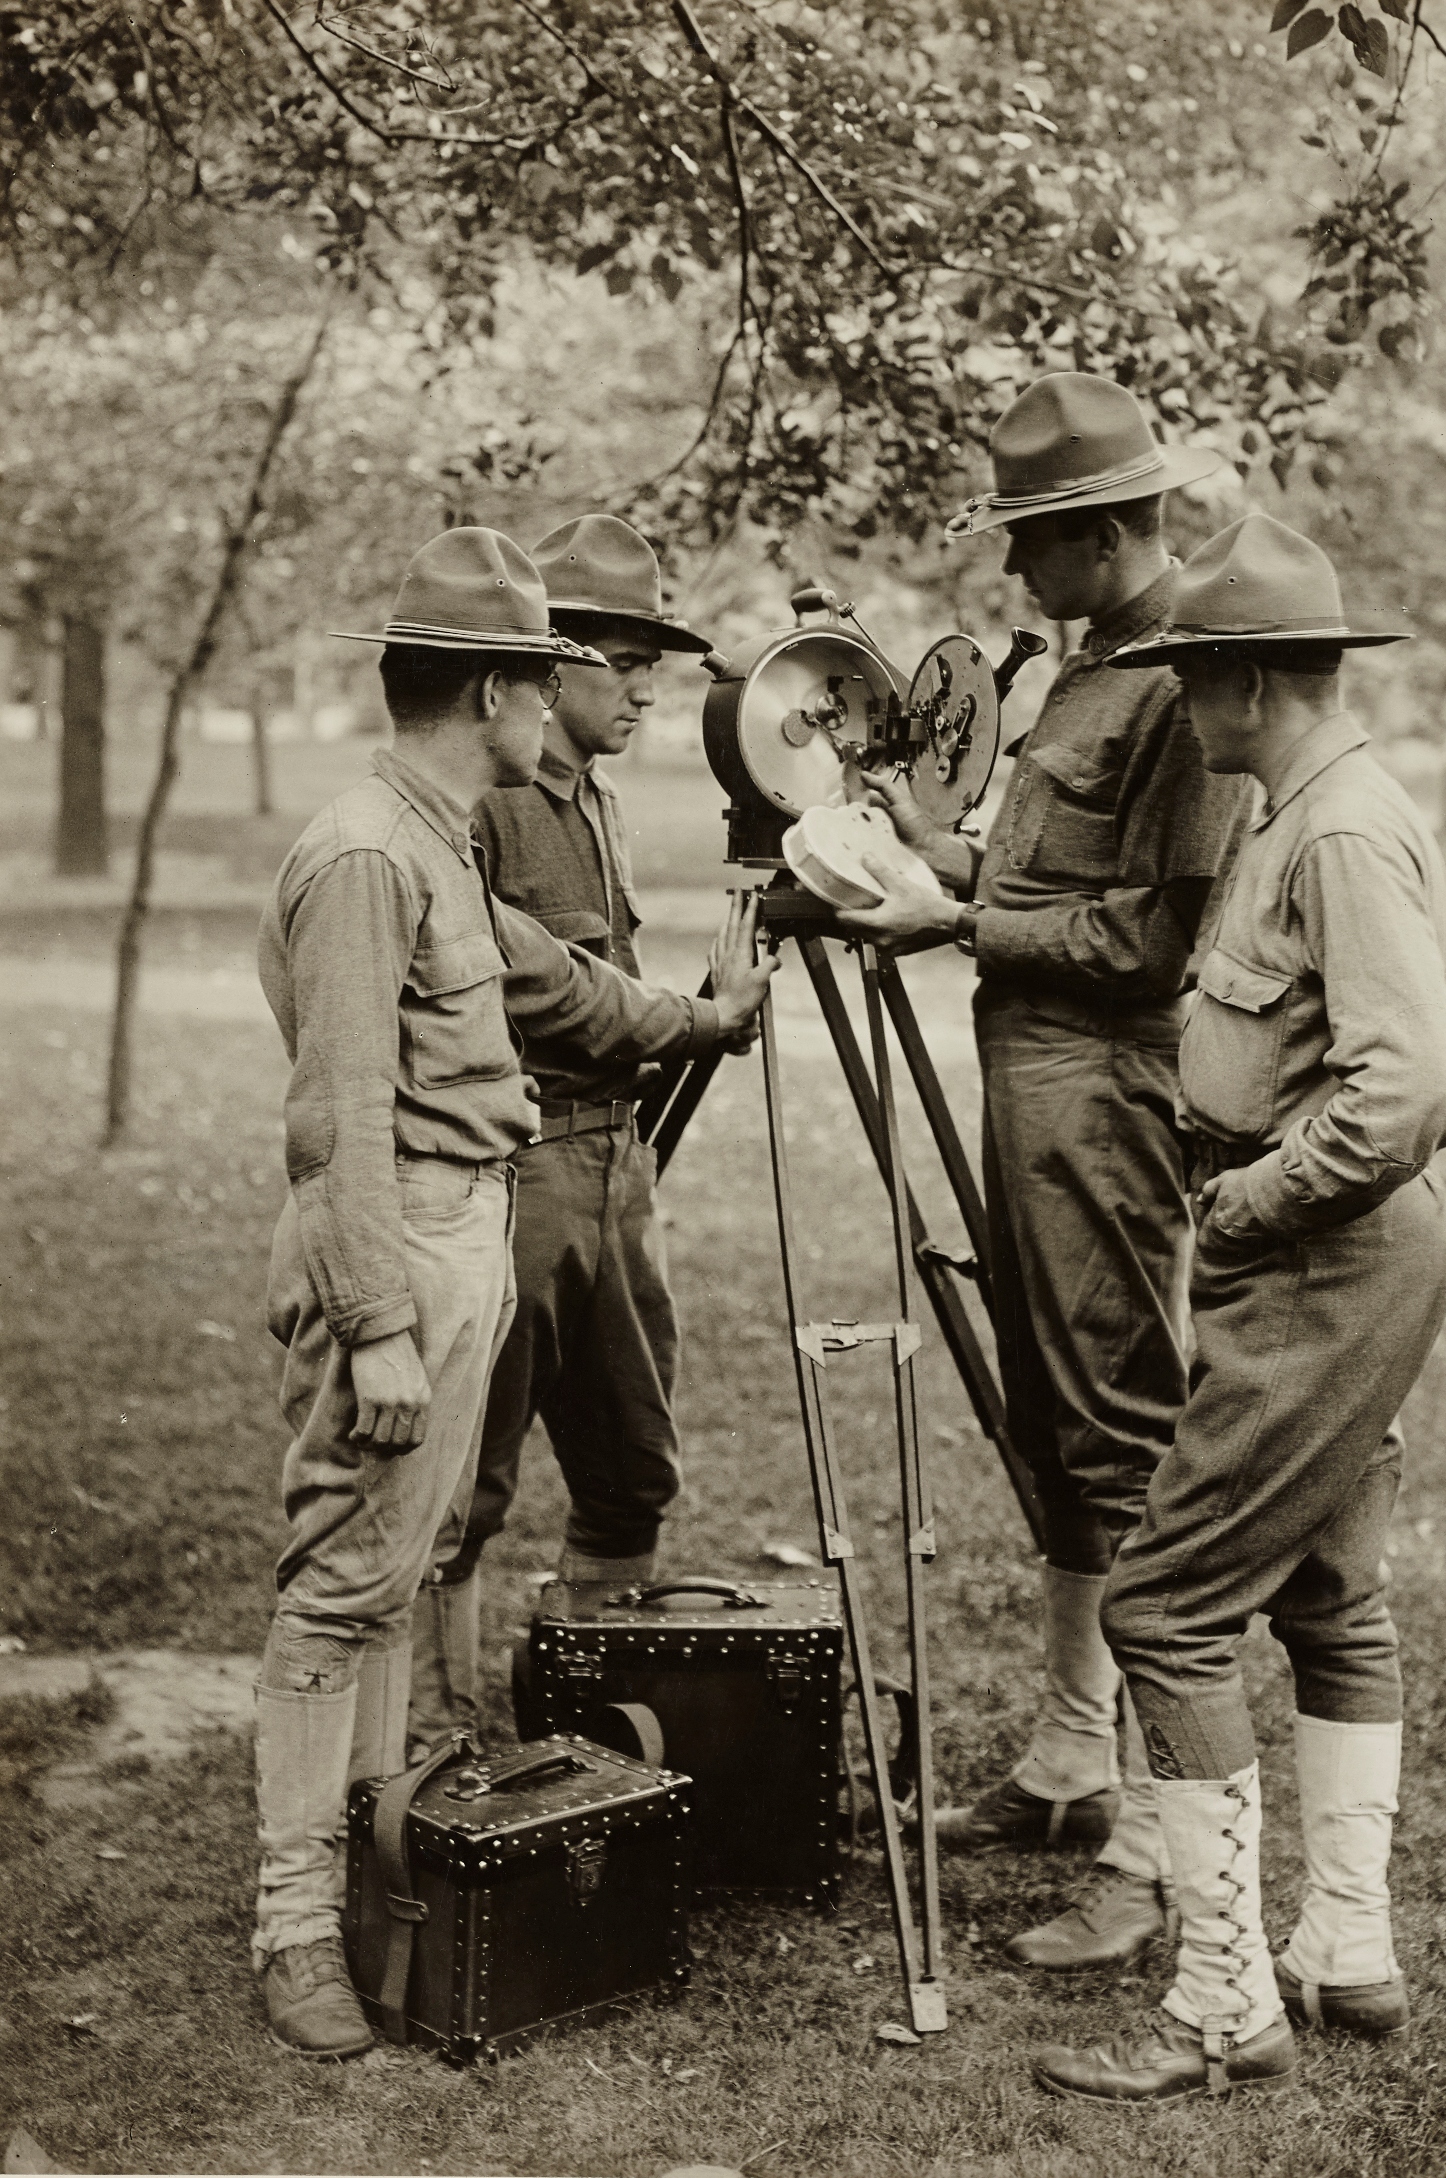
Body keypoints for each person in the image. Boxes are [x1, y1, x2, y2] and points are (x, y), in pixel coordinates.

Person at [252, 526, 775, 2059]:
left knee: (387, 1579)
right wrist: (375, 1321)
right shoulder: (365, 850)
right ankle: (292, 1922)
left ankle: (366, 1859)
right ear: (490, 690)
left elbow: (547, 987)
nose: (560, 705)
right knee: (339, 1584)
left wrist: (687, 1016)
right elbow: (335, 1108)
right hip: (399, 1234)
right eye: (544, 679)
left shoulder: (431, 833)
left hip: (470, 1217)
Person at [1029, 513, 1446, 2104]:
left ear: (1236, 683)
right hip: (1342, 1250)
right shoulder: (1317, 810)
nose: (1181, 712)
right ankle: (1343, 1944)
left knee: (1163, 1606)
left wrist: (1255, 1196)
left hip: (1320, 1255)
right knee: (1329, 1596)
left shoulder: (1333, 828)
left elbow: (1416, 1080)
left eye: (1189, 682)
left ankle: (1219, 2001)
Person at [842, 373, 1247, 1973]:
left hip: (1102, 1088)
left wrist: (956, 921)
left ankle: (1150, 1853)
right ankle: (1076, 1756)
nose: (1011, 573)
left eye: (1028, 543)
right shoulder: (1078, 671)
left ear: (1094, 534)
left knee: (1124, 1439)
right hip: (1028, 1077)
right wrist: (903, 855)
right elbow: (1028, 869)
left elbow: (1151, 944)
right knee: (1054, 1429)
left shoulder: (1181, 687)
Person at [408, 514, 728, 1751]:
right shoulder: (483, 805)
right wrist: (681, 1020)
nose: (644, 684)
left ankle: (603, 1728)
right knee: (465, 1482)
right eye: (617, 655)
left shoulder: (595, 802)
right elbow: (515, 980)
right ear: (542, 667)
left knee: (632, 1461)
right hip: (520, 1162)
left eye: (650, 657)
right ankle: (438, 1735)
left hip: (615, 1165)